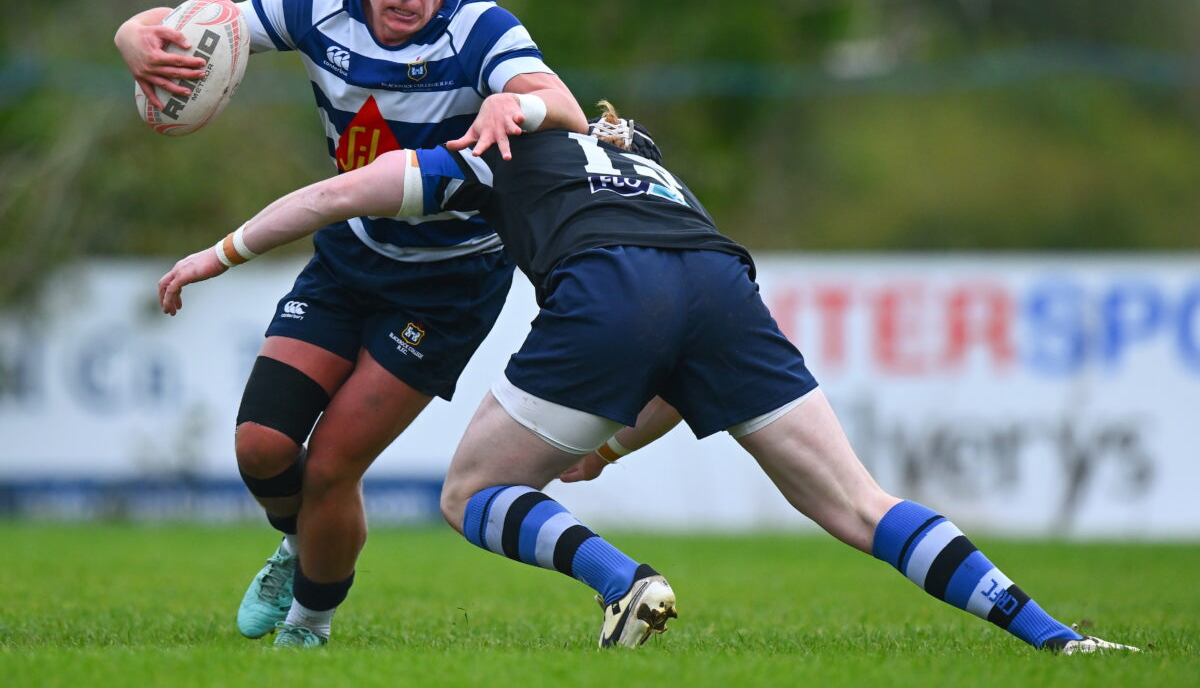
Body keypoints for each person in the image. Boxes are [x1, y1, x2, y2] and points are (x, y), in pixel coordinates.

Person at [157, 105, 1140, 654]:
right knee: (858, 503)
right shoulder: (641, 155)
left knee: (471, 495)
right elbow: (679, 364)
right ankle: (1056, 638)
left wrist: (222, 250)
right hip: (719, 277)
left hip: (608, 285)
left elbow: (339, 194)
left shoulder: (484, 151)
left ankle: (620, 580)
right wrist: (617, 439)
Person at [116, 0, 587, 646]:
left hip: (450, 283)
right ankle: (303, 544)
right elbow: (208, 24)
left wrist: (518, 101)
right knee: (262, 445)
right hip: (351, 255)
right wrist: (133, 33)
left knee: (331, 466)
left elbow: (561, 103)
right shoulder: (313, 7)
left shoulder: (478, 29)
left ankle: (309, 628)